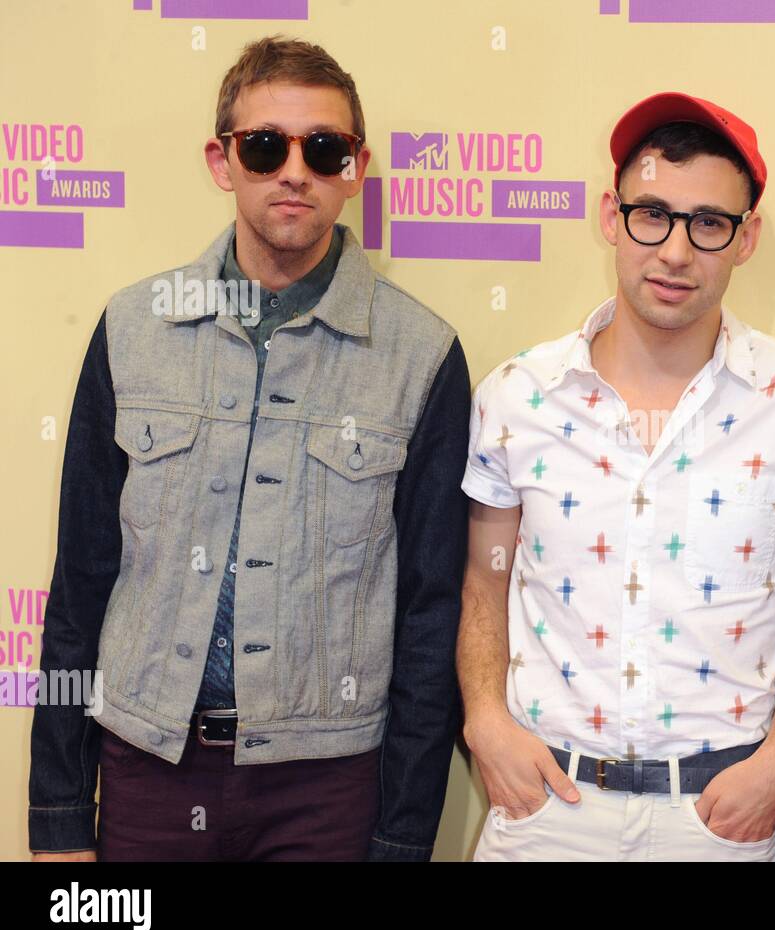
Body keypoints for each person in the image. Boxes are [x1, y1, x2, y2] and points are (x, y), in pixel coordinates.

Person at [29, 35, 469, 862]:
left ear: (356, 167)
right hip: (147, 769)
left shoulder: (423, 355)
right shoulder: (134, 328)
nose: (293, 171)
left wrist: (404, 837)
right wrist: (56, 814)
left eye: (324, 148)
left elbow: (428, 616)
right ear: (222, 160)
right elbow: (81, 582)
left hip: (327, 789)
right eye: (265, 147)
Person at [458, 92, 775, 861]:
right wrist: (484, 720)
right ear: (611, 216)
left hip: (718, 815)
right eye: (653, 214)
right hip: (545, 807)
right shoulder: (518, 395)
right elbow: (484, 582)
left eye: (709, 223)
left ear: (746, 240)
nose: (676, 252)